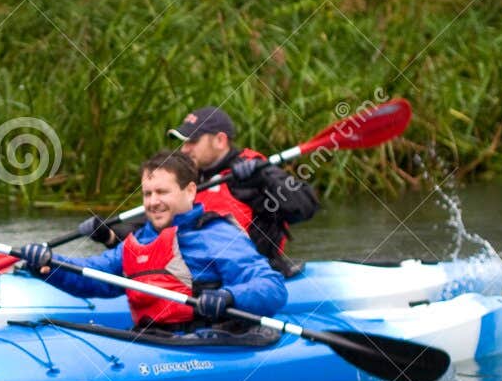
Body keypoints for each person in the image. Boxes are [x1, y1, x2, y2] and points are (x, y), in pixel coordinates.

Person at [21, 151, 287, 333]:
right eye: (147, 194)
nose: (152, 202)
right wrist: (47, 264)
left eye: (162, 192)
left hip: (209, 343)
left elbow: (272, 287)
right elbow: (93, 275)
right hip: (152, 340)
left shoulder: (216, 235)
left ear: (190, 191)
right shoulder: (140, 240)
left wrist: (230, 296)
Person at [73, 105, 318, 278]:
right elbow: (153, 233)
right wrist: (110, 234)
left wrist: (265, 177)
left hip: (250, 275)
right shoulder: (188, 176)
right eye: (183, 141)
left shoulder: (254, 175)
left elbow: (305, 207)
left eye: (192, 141)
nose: (185, 149)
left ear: (220, 140)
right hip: (195, 274)